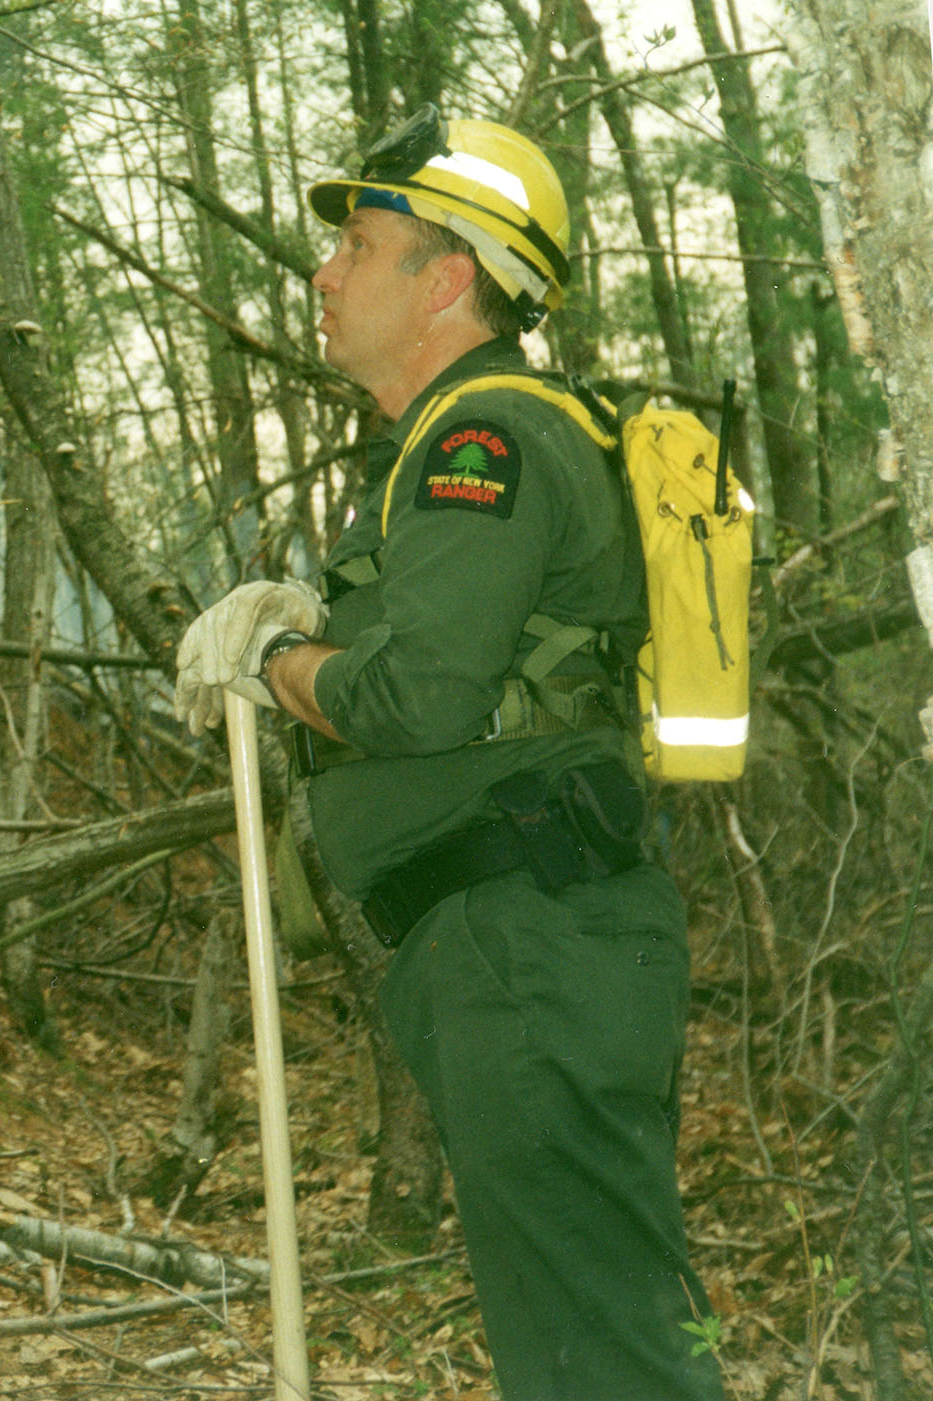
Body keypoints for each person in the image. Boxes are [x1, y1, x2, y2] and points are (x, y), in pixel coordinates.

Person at [173, 107, 725, 1401]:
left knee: (606, 1358)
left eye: (357, 245)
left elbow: (418, 696)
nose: (323, 274)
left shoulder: (490, 438)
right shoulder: (463, 442)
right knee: (588, 1335)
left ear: (448, 278)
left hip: (527, 942)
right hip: (521, 941)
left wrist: (270, 661)